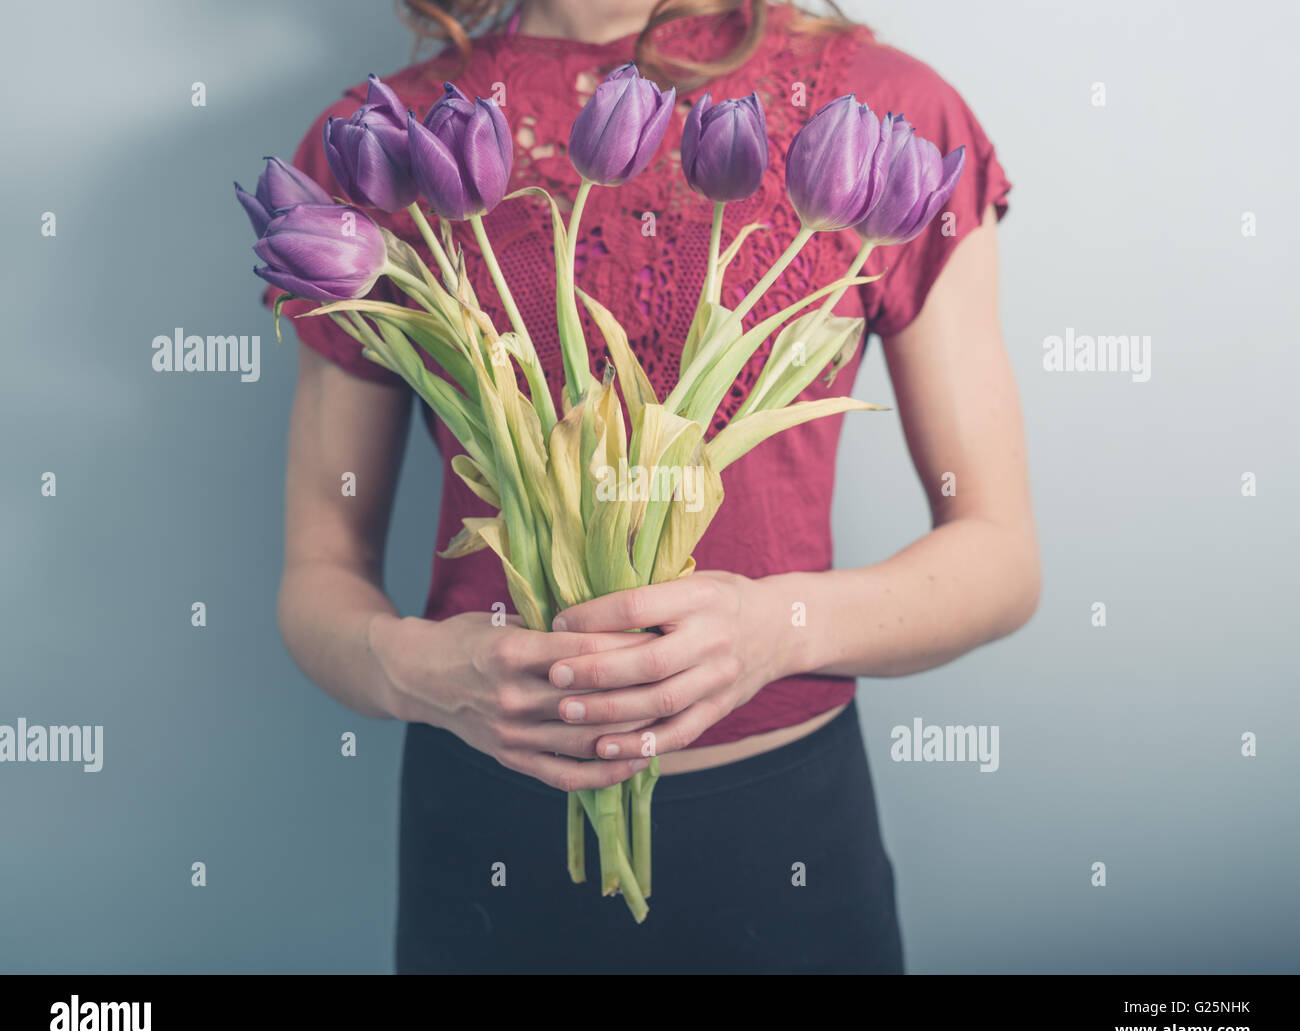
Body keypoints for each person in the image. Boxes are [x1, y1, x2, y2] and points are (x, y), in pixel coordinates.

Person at [268, 0, 1039, 974]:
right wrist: (412, 668)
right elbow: (318, 574)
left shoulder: (886, 114)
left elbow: (999, 557)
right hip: (485, 822)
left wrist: (776, 630)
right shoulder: (388, 139)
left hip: (781, 830)